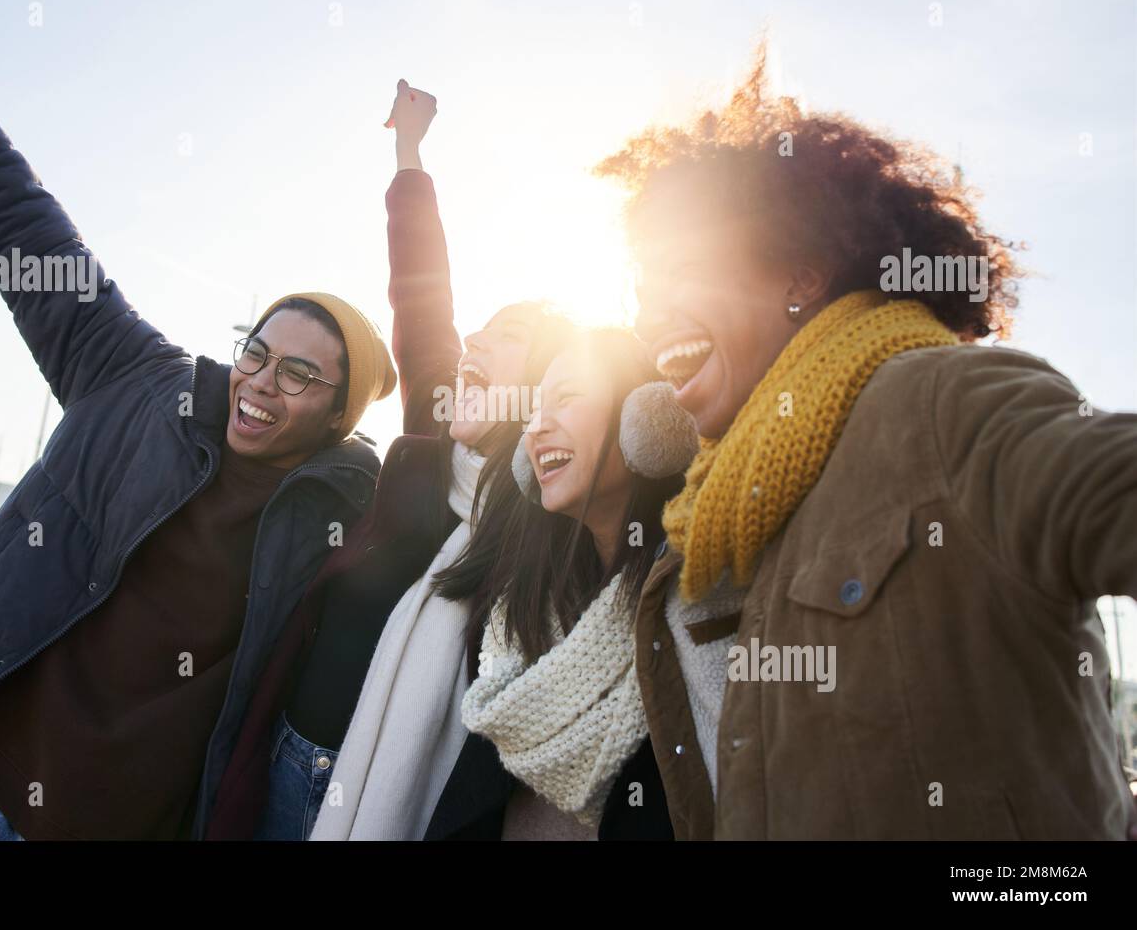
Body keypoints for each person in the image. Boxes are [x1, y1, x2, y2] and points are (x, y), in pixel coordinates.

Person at [0, 0, 397, 840]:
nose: (260, 382)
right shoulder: (141, 384)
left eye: (299, 374)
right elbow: (38, 245)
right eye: (256, 352)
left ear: (339, 412)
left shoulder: (339, 509)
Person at [599, 44, 1137, 839]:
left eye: (678, 269)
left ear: (800, 275)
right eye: (642, 290)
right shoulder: (729, 515)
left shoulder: (936, 400)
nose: (650, 315)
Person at [205, 81, 578, 840]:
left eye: (502, 337)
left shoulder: (552, 515)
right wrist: (410, 151)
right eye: (477, 332)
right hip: (287, 759)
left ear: (545, 382)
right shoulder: (435, 439)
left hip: (401, 804)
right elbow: (423, 301)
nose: (472, 341)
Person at [423, 328, 695, 840]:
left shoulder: (696, 602)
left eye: (566, 399)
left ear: (646, 420)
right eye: (532, 412)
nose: (537, 429)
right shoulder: (522, 603)